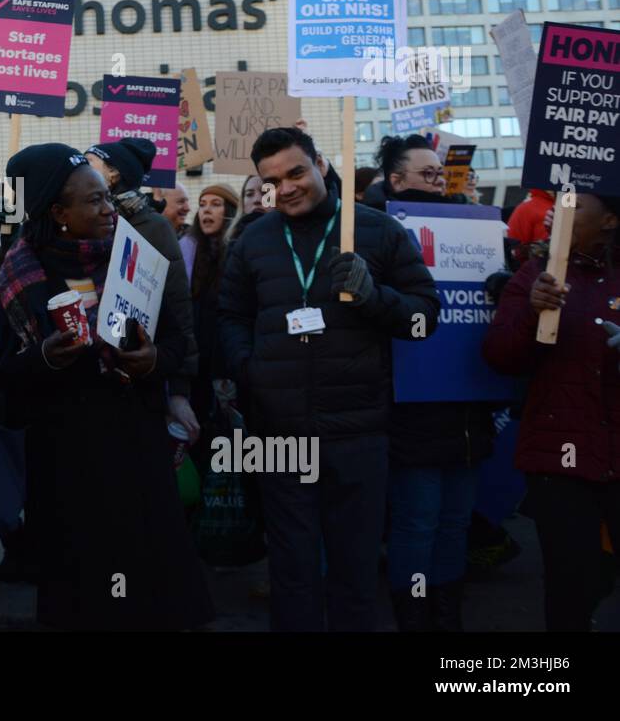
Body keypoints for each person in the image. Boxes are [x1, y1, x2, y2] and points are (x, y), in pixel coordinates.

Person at [217, 127, 440, 631]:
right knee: (291, 572)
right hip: (277, 434)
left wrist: (374, 297)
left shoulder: (379, 231)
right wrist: (248, 369)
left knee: (355, 572)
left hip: (358, 431)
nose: (286, 187)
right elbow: (228, 316)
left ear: (320, 163)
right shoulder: (253, 239)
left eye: (296, 172)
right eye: (271, 181)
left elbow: (425, 318)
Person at [0, 143, 213, 630]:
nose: (108, 210)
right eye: (93, 201)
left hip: (138, 450)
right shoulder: (17, 274)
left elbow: (177, 338)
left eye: (106, 198)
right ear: (58, 212)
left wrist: (153, 361)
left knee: (152, 592)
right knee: (85, 598)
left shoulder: (135, 257)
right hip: (67, 463)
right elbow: (1, 372)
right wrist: (44, 358)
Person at [366, 135, 495, 631]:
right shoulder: (376, 234)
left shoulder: (475, 229)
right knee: (417, 525)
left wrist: (505, 284)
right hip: (411, 411)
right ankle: (415, 620)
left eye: (441, 173)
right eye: (427, 174)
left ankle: (448, 619)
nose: (439, 181)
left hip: (466, 407)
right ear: (395, 180)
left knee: (455, 525)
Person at [483, 192, 620, 632]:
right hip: (560, 458)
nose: (557, 212)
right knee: (569, 586)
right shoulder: (535, 276)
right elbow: (501, 356)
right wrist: (530, 311)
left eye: (575, 206)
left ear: (610, 220)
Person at [86, 138, 201, 442]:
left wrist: (179, 390)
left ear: (113, 175)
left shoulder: (153, 227)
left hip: (143, 371)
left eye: (90, 163)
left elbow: (178, 308)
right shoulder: (84, 223)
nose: (82, 170)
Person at [178, 184, 238, 429]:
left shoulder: (239, 249)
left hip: (228, 356)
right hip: (198, 357)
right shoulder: (188, 248)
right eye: (202, 205)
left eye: (215, 204)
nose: (206, 211)